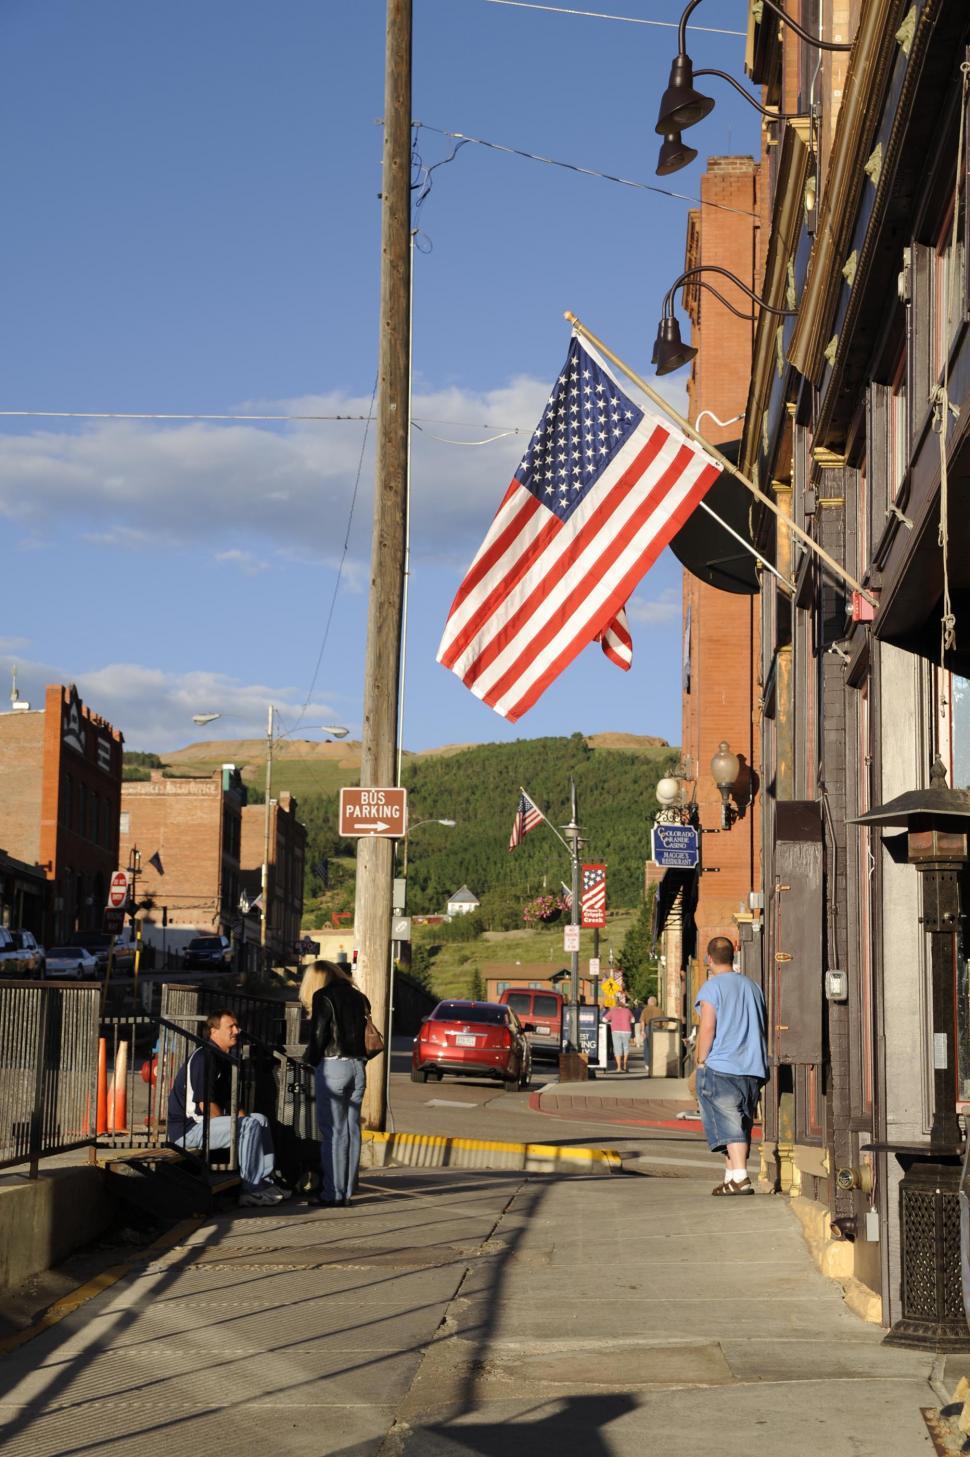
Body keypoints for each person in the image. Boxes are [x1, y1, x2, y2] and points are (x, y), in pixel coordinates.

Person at [167, 1008, 289, 1207]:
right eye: (230, 1026)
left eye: (237, 1025)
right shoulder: (204, 1057)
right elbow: (205, 1105)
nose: (237, 1030)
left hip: (204, 1125)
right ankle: (251, 1189)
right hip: (187, 1130)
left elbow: (232, 1103)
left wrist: (243, 1121)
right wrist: (240, 1126)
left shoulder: (223, 1059)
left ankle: (265, 1183)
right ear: (213, 1031)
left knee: (259, 1120)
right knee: (249, 1125)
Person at [694, 937, 767, 1196]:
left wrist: (701, 1060)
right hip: (753, 1066)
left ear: (708, 958)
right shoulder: (753, 986)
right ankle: (730, 1176)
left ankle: (740, 1177)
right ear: (733, 955)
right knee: (739, 1123)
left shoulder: (711, 988)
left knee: (727, 1123)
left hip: (723, 1065)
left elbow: (708, 1027)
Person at [303, 959, 370, 1206]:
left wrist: (310, 1059)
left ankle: (334, 1193)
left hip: (334, 1066)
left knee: (333, 1131)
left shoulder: (323, 996)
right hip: (358, 1067)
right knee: (352, 1129)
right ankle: (349, 1188)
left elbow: (320, 1034)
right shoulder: (358, 996)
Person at [603, 995, 634, 1073]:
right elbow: (633, 1020)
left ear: (616, 1005)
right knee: (626, 1047)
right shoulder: (627, 1010)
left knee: (617, 1049)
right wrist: (627, 1022)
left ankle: (619, 1067)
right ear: (623, 1005)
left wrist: (611, 1023)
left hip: (615, 1030)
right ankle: (625, 1064)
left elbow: (604, 1020)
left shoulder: (613, 1010)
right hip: (627, 1030)